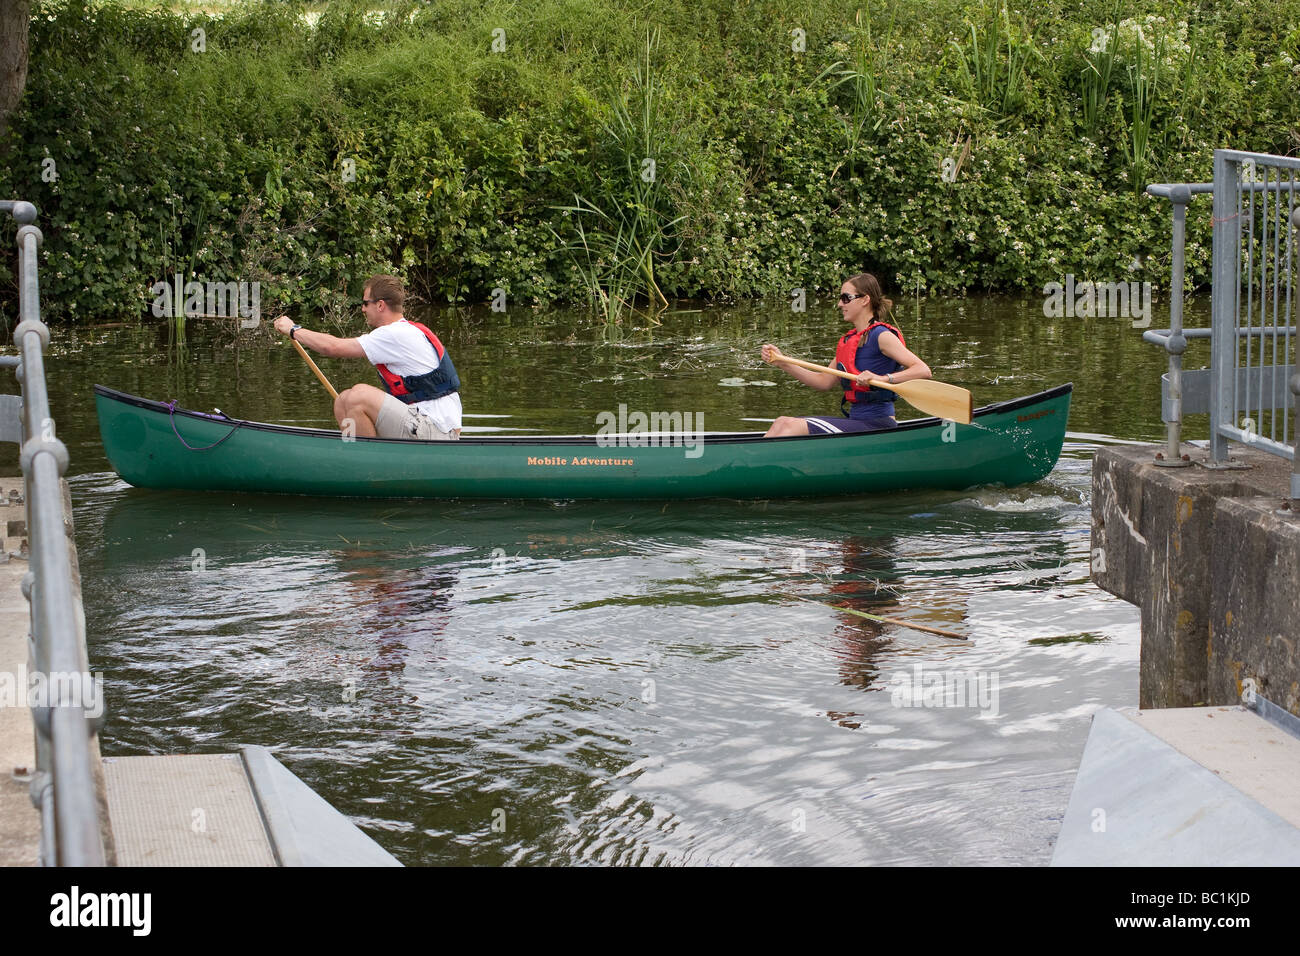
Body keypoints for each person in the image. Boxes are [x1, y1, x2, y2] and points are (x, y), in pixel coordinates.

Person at [272, 275, 462, 440]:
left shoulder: (395, 333)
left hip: (438, 433)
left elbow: (333, 347)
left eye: (365, 303)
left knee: (358, 396)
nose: (362, 309)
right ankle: (355, 455)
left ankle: (368, 462)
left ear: (380, 305)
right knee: (343, 400)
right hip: (422, 425)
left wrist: (294, 330)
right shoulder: (400, 331)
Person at [761, 273, 930, 437]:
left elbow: (923, 370)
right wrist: (782, 363)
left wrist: (883, 379)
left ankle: (753, 463)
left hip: (877, 424)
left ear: (865, 300)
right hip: (857, 421)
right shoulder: (849, 341)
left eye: (846, 298)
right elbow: (823, 382)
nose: (840, 304)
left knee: (787, 424)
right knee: (781, 423)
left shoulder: (881, 335)